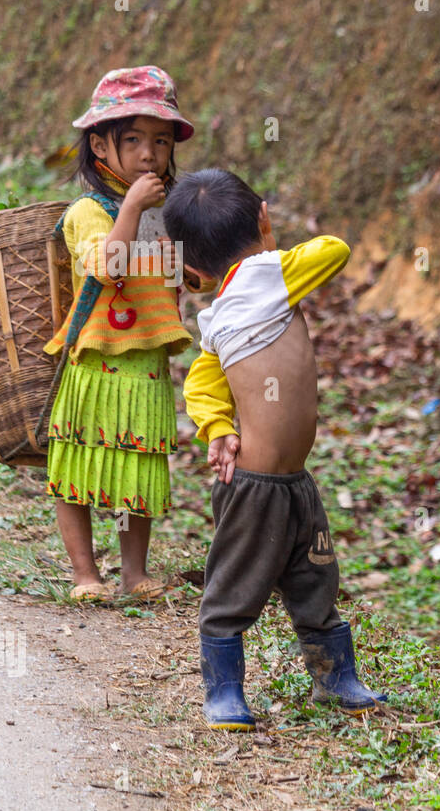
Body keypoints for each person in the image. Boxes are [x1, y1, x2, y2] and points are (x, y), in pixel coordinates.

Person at [163, 168, 385, 730]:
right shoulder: (275, 272)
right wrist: (270, 241)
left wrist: (216, 427)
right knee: (237, 584)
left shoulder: (221, 311)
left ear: (192, 272)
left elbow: (201, 384)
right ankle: (226, 693)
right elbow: (335, 248)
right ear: (261, 219)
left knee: (314, 577)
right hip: (258, 488)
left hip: (292, 484)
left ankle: (333, 678)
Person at [43, 65, 195, 601]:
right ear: (100, 147)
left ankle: (135, 574)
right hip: (96, 361)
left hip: (148, 363)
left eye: (159, 141)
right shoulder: (89, 210)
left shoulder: (163, 209)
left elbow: (176, 271)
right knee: (79, 462)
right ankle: (86, 574)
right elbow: (107, 266)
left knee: (138, 468)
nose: (149, 154)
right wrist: (131, 208)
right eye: (132, 140)